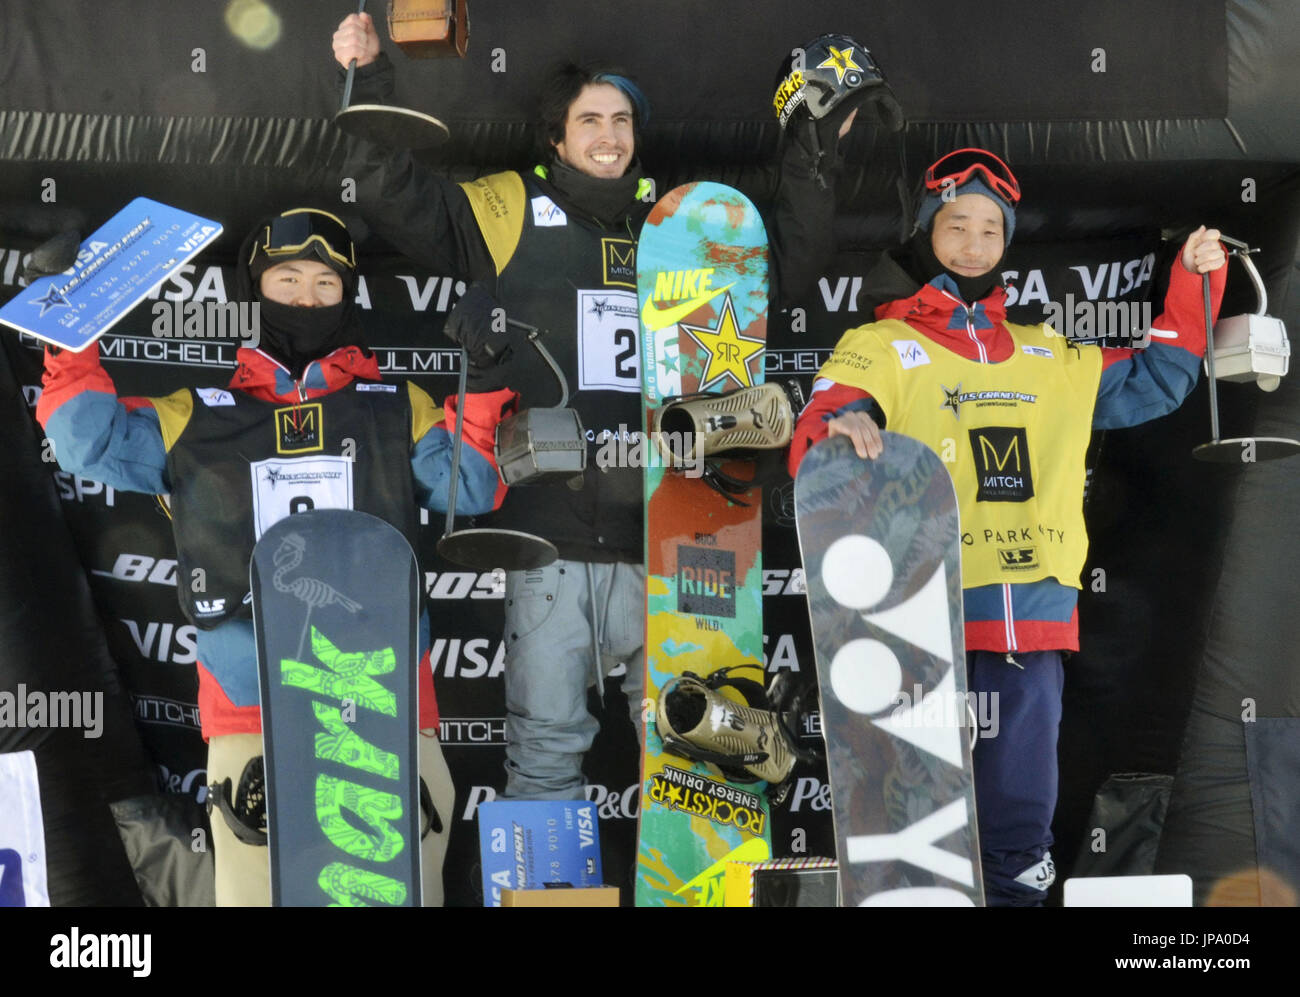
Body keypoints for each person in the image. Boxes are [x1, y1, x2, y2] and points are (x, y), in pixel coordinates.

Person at [331, 18, 899, 801]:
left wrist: (814, 145)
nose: (608, 136)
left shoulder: (685, 224)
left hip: (674, 537)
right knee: (544, 755)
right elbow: (396, 192)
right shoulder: (507, 207)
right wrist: (368, 77)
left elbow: (792, 264)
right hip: (550, 544)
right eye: (589, 120)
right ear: (557, 138)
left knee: (699, 769)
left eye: (622, 121)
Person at [787, 148, 1228, 906]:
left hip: (1032, 629)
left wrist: (1194, 278)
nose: (973, 242)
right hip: (921, 627)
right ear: (927, 233)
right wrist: (842, 426)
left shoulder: (1047, 354)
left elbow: (1160, 376)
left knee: (1019, 839)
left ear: (1006, 242)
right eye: (956, 225)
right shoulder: (886, 343)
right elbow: (819, 434)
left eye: (991, 229)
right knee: (916, 842)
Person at [37, 207, 513, 905]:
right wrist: (69, 327)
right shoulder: (194, 413)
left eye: (326, 282)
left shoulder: (395, 406)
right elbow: (85, 441)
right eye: (287, 278)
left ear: (347, 294)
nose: (307, 296)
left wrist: (485, 370)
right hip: (252, 709)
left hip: (385, 704)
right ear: (256, 291)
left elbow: (471, 486)